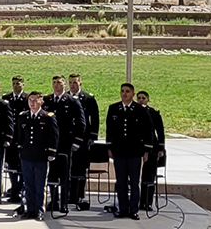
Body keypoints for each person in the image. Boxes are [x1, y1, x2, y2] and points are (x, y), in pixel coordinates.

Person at [106, 83, 153, 220]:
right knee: (120, 182)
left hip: (135, 152)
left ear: (133, 93)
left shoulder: (140, 110)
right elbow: (109, 129)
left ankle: (134, 210)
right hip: (119, 151)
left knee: (134, 183)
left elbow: (148, 130)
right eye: (122, 91)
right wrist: (109, 147)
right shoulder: (114, 108)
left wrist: (146, 150)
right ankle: (123, 208)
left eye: (127, 91)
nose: (124, 94)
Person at [43, 74, 86, 213]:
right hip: (50, 144)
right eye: (54, 82)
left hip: (65, 143)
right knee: (52, 174)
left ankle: (64, 203)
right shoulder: (47, 100)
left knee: (64, 175)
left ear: (64, 85)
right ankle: (54, 200)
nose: (56, 85)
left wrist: (77, 142)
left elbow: (81, 123)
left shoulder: (72, 101)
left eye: (59, 82)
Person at [14, 91, 59, 220]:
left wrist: (51, 152)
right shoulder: (23, 116)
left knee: (40, 185)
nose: (32, 103)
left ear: (41, 101)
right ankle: (30, 209)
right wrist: (20, 150)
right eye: (30, 100)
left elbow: (54, 136)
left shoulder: (48, 117)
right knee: (28, 184)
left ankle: (40, 210)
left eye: (35, 100)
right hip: (27, 156)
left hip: (41, 156)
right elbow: (20, 136)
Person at [68, 72, 99, 211]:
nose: (72, 85)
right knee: (68, 168)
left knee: (80, 168)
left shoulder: (87, 98)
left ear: (80, 83)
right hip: (69, 138)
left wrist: (93, 136)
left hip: (83, 139)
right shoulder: (65, 97)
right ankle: (69, 194)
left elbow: (94, 118)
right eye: (70, 82)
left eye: (75, 82)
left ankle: (79, 194)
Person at [137, 91, 165, 212]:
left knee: (149, 177)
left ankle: (147, 202)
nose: (141, 100)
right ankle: (136, 202)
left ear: (148, 100)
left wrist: (160, 148)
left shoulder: (153, 113)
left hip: (152, 149)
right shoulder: (134, 112)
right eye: (139, 98)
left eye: (143, 98)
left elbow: (160, 131)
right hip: (137, 148)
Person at [1, 76, 28, 202]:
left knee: (22, 165)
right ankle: (14, 186)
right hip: (11, 137)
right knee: (11, 165)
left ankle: (20, 188)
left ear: (23, 84)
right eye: (13, 83)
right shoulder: (7, 99)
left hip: (23, 137)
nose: (16, 86)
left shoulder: (28, 99)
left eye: (18, 83)